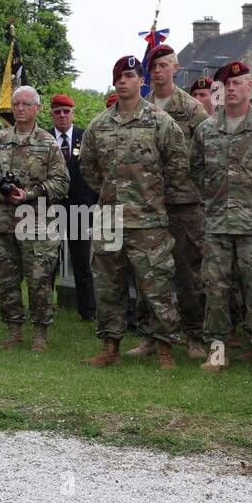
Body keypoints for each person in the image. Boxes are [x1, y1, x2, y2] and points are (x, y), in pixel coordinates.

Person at [78, 56, 188, 370]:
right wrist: (113, 193)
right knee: (108, 285)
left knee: (156, 286)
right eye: (119, 77)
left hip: (148, 220)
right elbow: (88, 167)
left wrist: (152, 194)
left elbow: (178, 163)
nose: (123, 81)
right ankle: (110, 346)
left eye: (129, 76)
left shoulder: (160, 120)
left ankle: (165, 349)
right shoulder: (99, 125)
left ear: (142, 80)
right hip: (110, 220)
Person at [188, 60, 252, 376]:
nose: (232, 88)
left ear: (251, 87)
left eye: (238, 83)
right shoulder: (206, 130)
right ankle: (217, 352)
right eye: (227, 84)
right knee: (215, 290)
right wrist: (213, 197)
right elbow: (196, 169)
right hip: (217, 224)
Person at [128, 44, 208, 359]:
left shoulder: (191, 109)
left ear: (175, 67)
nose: (158, 70)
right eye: (154, 66)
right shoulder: (141, 107)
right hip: (148, 205)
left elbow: (204, 155)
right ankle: (149, 335)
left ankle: (194, 336)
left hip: (184, 203)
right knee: (149, 272)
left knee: (189, 273)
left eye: (164, 65)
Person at [0, 86, 69, 351]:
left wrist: (29, 194)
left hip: (37, 223)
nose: (20, 109)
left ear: (37, 108)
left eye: (26, 104)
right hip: (3, 222)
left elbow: (61, 183)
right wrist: (1, 194)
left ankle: (40, 332)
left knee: (39, 280)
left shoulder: (48, 143)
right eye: (16, 104)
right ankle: (13, 330)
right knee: (5, 280)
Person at [49, 93, 98, 321]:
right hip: (50, 209)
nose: (62, 116)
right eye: (57, 111)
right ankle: (45, 308)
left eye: (66, 111)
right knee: (47, 262)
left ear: (73, 113)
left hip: (80, 209)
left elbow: (94, 174)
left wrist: (91, 208)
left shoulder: (85, 137)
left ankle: (87, 311)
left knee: (81, 263)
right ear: (51, 114)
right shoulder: (45, 138)